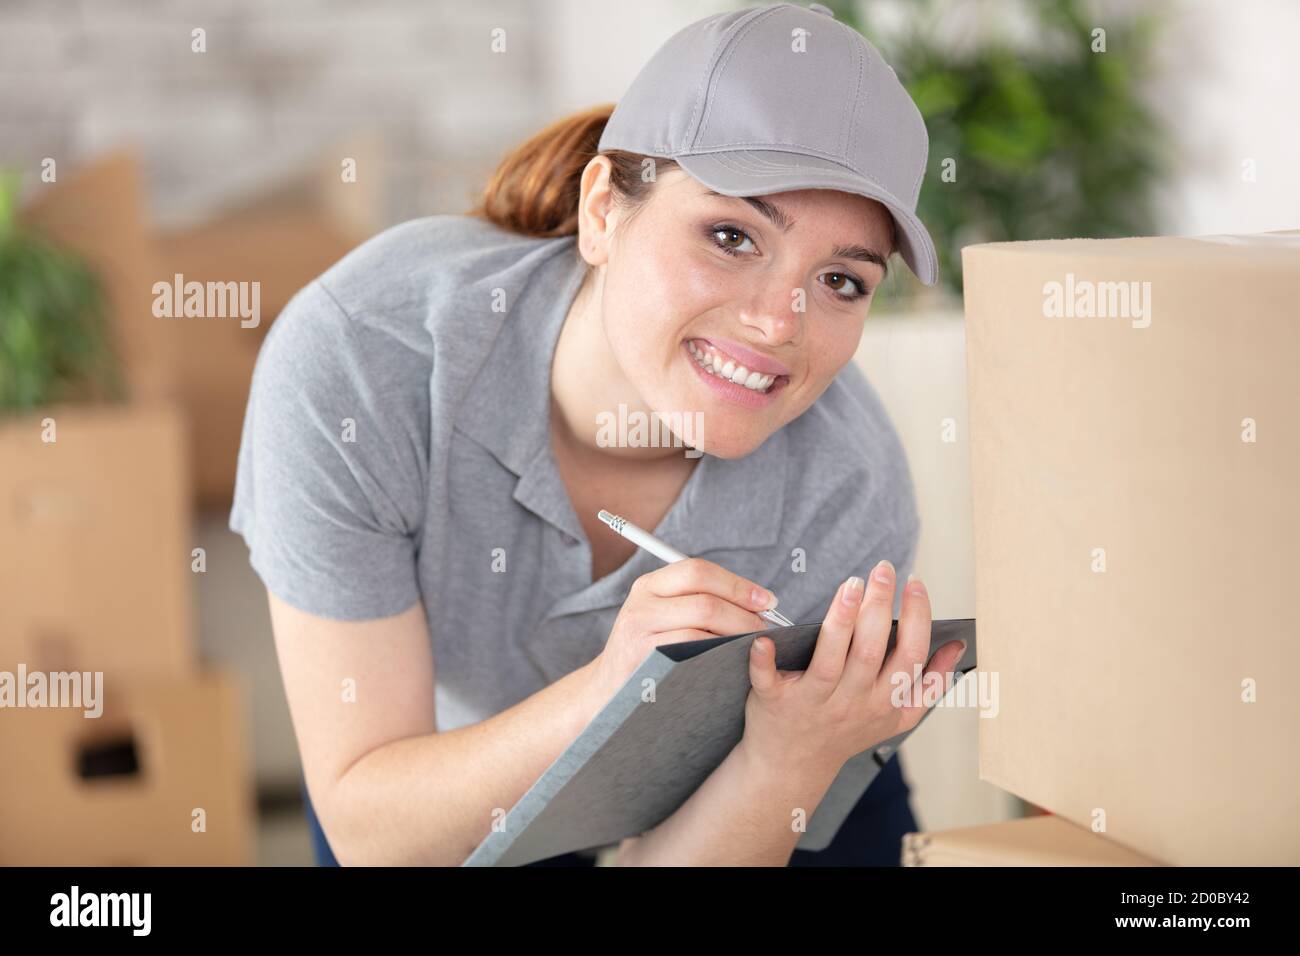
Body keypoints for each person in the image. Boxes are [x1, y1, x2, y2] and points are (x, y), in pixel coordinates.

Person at [230, 1, 963, 867]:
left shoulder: (848, 485)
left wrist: (782, 762)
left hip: (770, 763)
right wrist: (613, 692)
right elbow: (369, 830)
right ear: (604, 209)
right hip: (440, 770)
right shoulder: (360, 362)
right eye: (733, 235)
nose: (779, 323)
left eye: (842, 281)